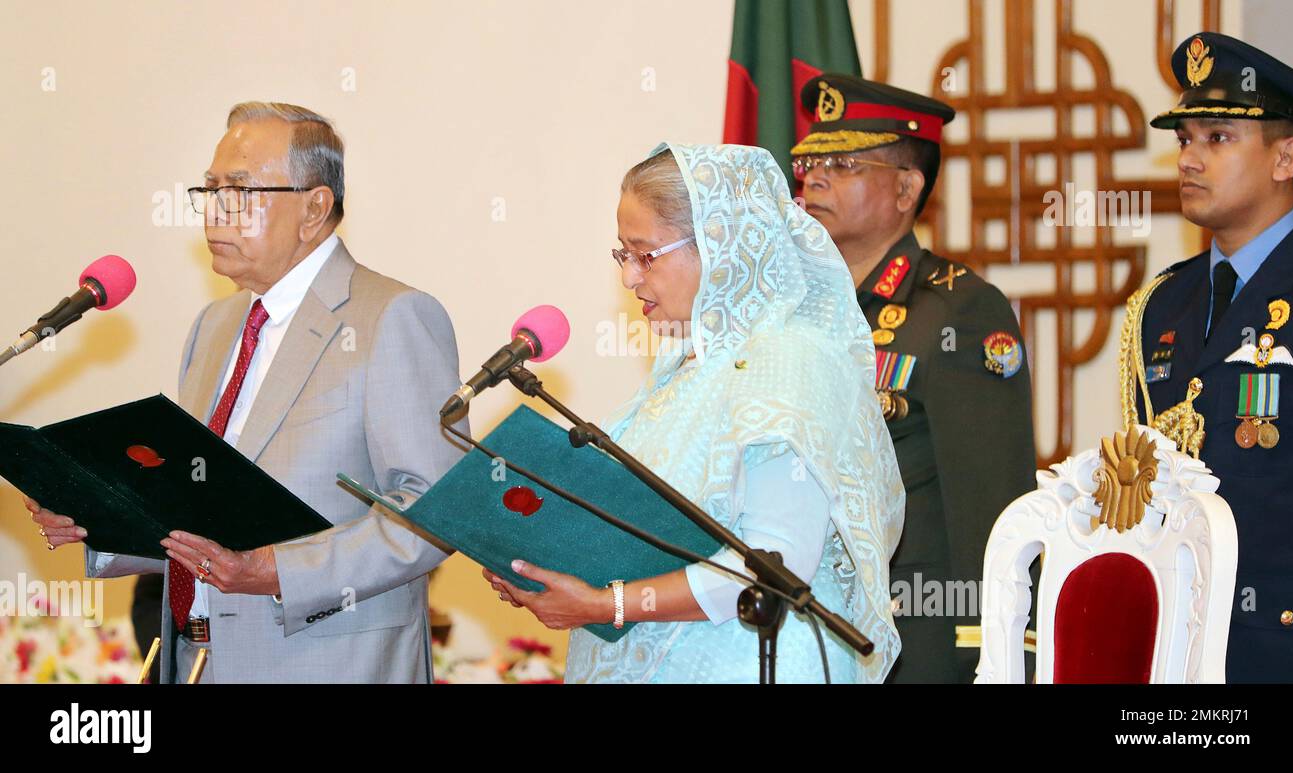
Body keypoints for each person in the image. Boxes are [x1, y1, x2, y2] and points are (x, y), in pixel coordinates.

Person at [26, 101, 466, 683]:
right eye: (209, 191)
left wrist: (276, 570)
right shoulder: (214, 327)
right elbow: (199, 515)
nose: (214, 214)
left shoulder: (391, 317)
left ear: (315, 206)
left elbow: (438, 512)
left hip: (327, 667)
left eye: (238, 190)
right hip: (198, 662)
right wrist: (96, 520)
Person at [485, 142, 905, 683]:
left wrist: (606, 605)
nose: (629, 278)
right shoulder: (686, 368)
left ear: (719, 243)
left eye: (645, 254)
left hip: (756, 662)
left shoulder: (785, 360)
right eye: (622, 254)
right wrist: (549, 563)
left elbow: (775, 565)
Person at [789, 74, 1038, 683]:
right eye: (809, 164)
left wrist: (996, 650)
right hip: (803, 629)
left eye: (843, 163)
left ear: (907, 188)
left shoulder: (959, 311)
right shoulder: (791, 308)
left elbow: (990, 501)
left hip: (915, 634)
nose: (814, 178)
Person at [1138, 32, 1293, 683]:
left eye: (1219, 138)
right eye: (1184, 140)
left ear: (1287, 156)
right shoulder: (1161, 304)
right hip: (1179, 642)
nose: (1190, 160)